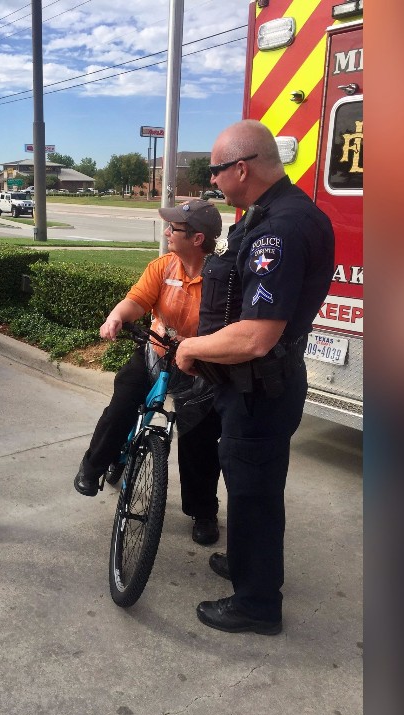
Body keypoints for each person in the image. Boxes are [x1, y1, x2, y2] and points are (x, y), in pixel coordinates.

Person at [176, 120, 334, 635]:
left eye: (216, 170)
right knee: (250, 485)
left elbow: (257, 336)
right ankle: (247, 564)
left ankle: (257, 603)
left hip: (260, 387)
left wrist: (192, 347)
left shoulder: (280, 230)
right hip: (250, 386)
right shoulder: (271, 214)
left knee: (254, 493)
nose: (214, 181)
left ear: (240, 168)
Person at [72, 200, 225, 545]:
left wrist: (200, 347)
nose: (167, 232)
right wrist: (116, 316)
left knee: (200, 437)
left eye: (175, 228)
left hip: (199, 362)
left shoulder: (221, 277)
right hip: (156, 351)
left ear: (198, 238)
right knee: (123, 401)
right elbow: (138, 301)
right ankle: (93, 466)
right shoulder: (162, 267)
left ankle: (203, 511)